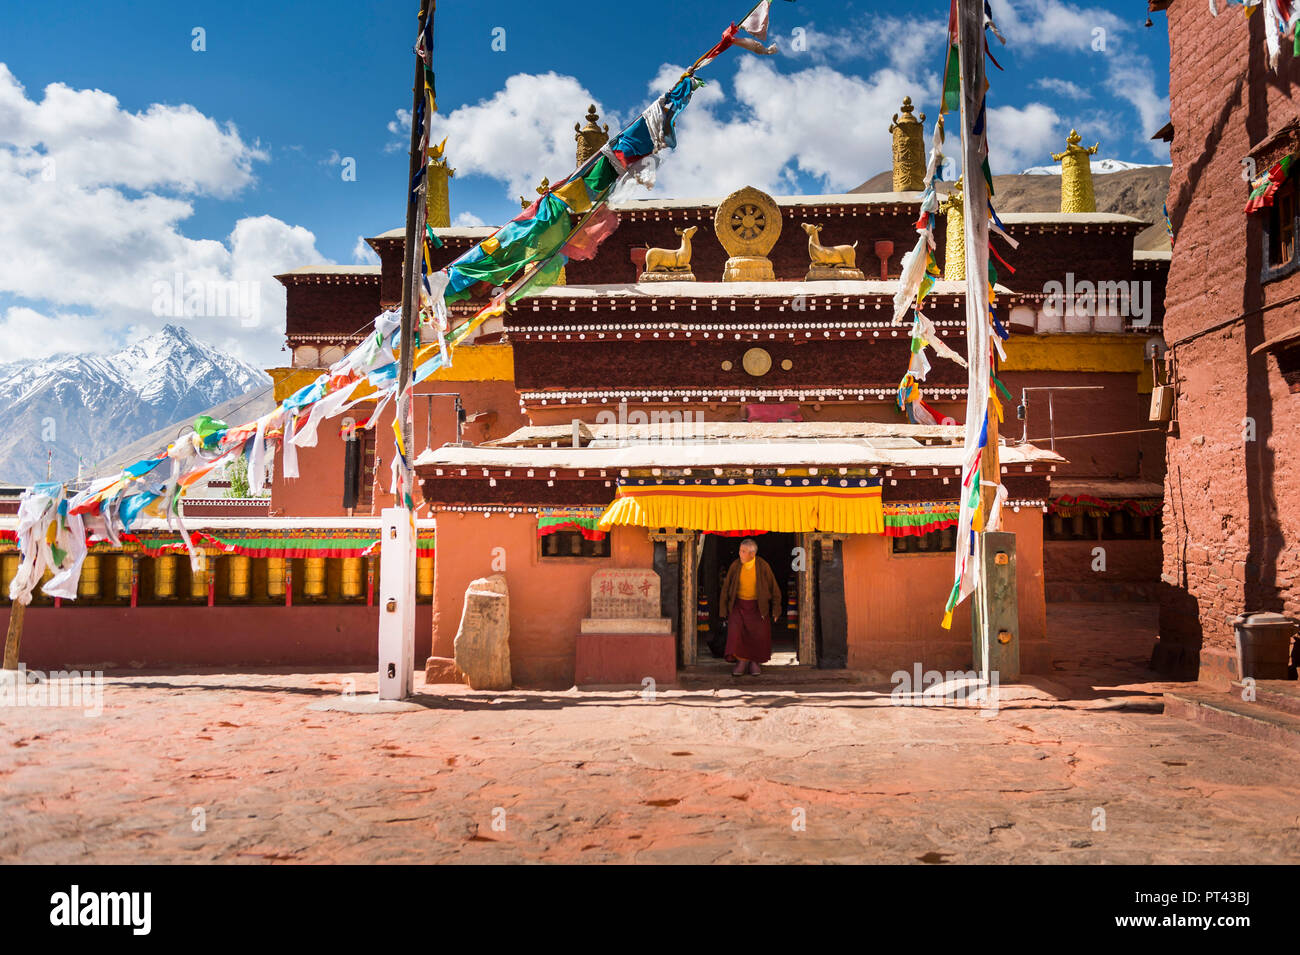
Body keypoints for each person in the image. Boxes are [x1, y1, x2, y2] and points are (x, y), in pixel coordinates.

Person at [720, 538, 782, 676]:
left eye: (743, 551)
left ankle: (754, 662)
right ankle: (741, 662)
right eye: (740, 551)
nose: (740, 554)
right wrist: (723, 609)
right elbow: (726, 588)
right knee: (736, 633)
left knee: (758, 635)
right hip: (738, 605)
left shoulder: (763, 566)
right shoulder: (735, 565)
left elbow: (774, 588)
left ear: (752, 554)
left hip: (758, 606)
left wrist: (776, 609)